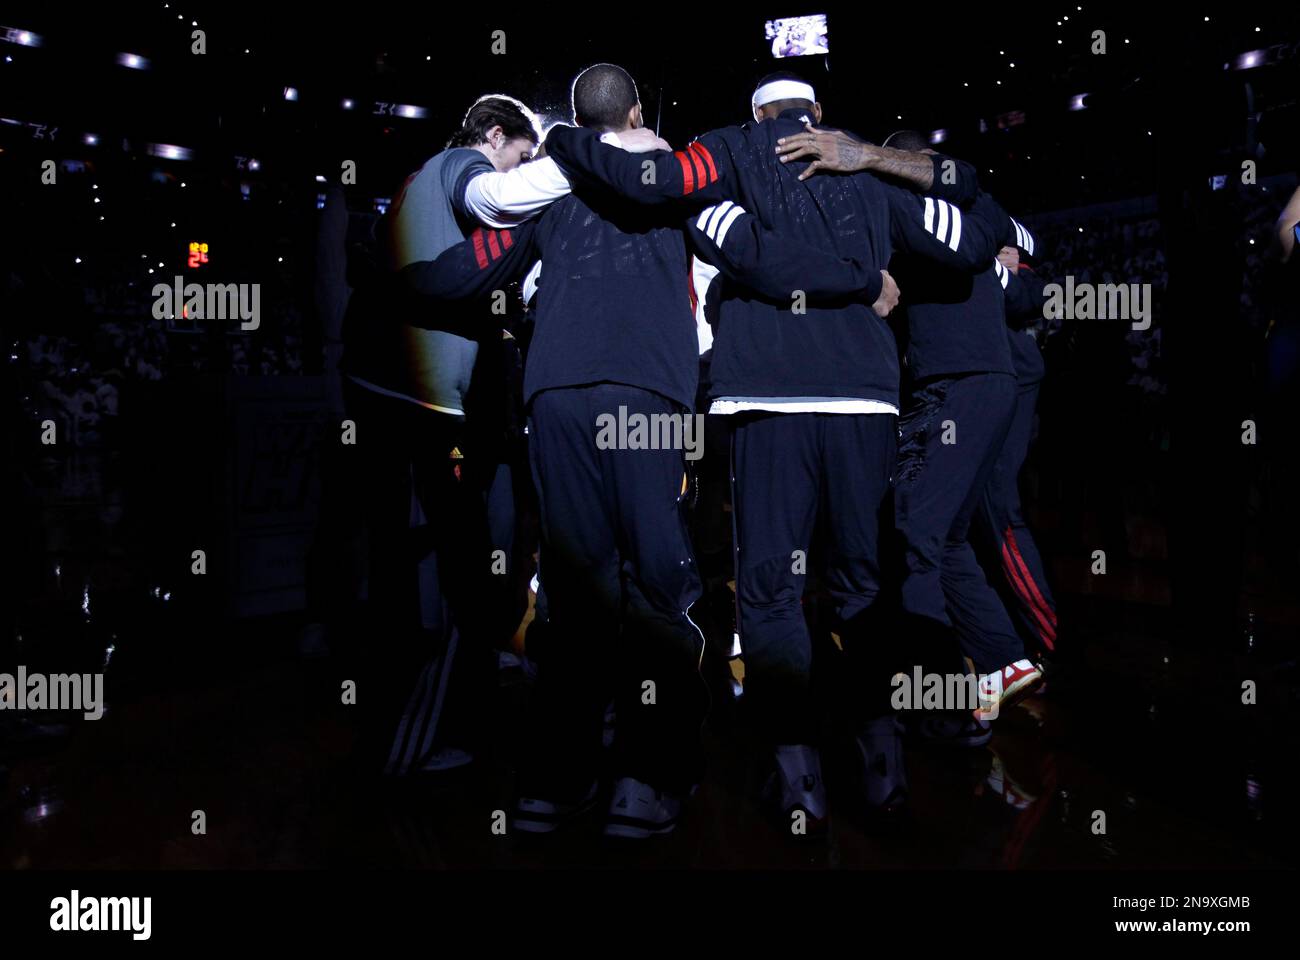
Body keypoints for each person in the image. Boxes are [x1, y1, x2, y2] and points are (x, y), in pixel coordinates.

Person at [406, 65, 895, 838]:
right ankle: (647, 779)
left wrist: (386, 278)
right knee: (660, 594)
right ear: (637, 114)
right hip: (649, 404)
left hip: (557, 397)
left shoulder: (550, 188)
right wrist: (860, 278)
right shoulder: (680, 191)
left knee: (571, 593)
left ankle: (555, 785)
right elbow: (761, 258)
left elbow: (463, 273)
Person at [541, 72, 1002, 829]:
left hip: (766, 402)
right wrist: (876, 163)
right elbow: (974, 227)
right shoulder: (863, 167)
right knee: (864, 587)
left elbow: (667, 193)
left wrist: (561, 134)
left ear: (755, 113)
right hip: (864, 403)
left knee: (769, 590)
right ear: (817, 112)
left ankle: (799, 781)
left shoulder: (726, 150)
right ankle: (883, 771)